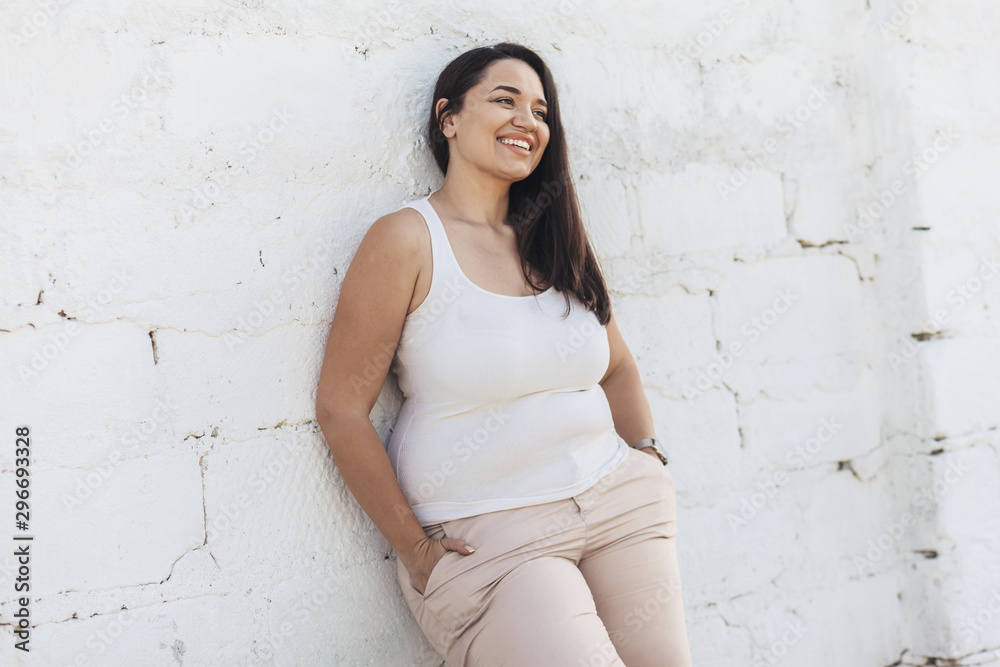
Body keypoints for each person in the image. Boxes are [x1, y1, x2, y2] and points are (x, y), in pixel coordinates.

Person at [315, 42, 693, 667]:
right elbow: (341, 408)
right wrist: (416, 550)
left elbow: (618, 366)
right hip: (491, 532)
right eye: (505, 100)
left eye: (541, 111)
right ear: (449, 118)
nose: (528, 121)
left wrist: (648, 458)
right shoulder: (406, 239)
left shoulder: (555, 238)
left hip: (619, 505)